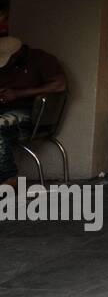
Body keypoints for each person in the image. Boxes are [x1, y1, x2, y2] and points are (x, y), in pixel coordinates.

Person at [0, 39, 67, 187]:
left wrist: (18, 94)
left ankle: (8, 178)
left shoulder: (41, 59)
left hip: (31, 113)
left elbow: (59, 85)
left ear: (16, 54)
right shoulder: (5, 67)